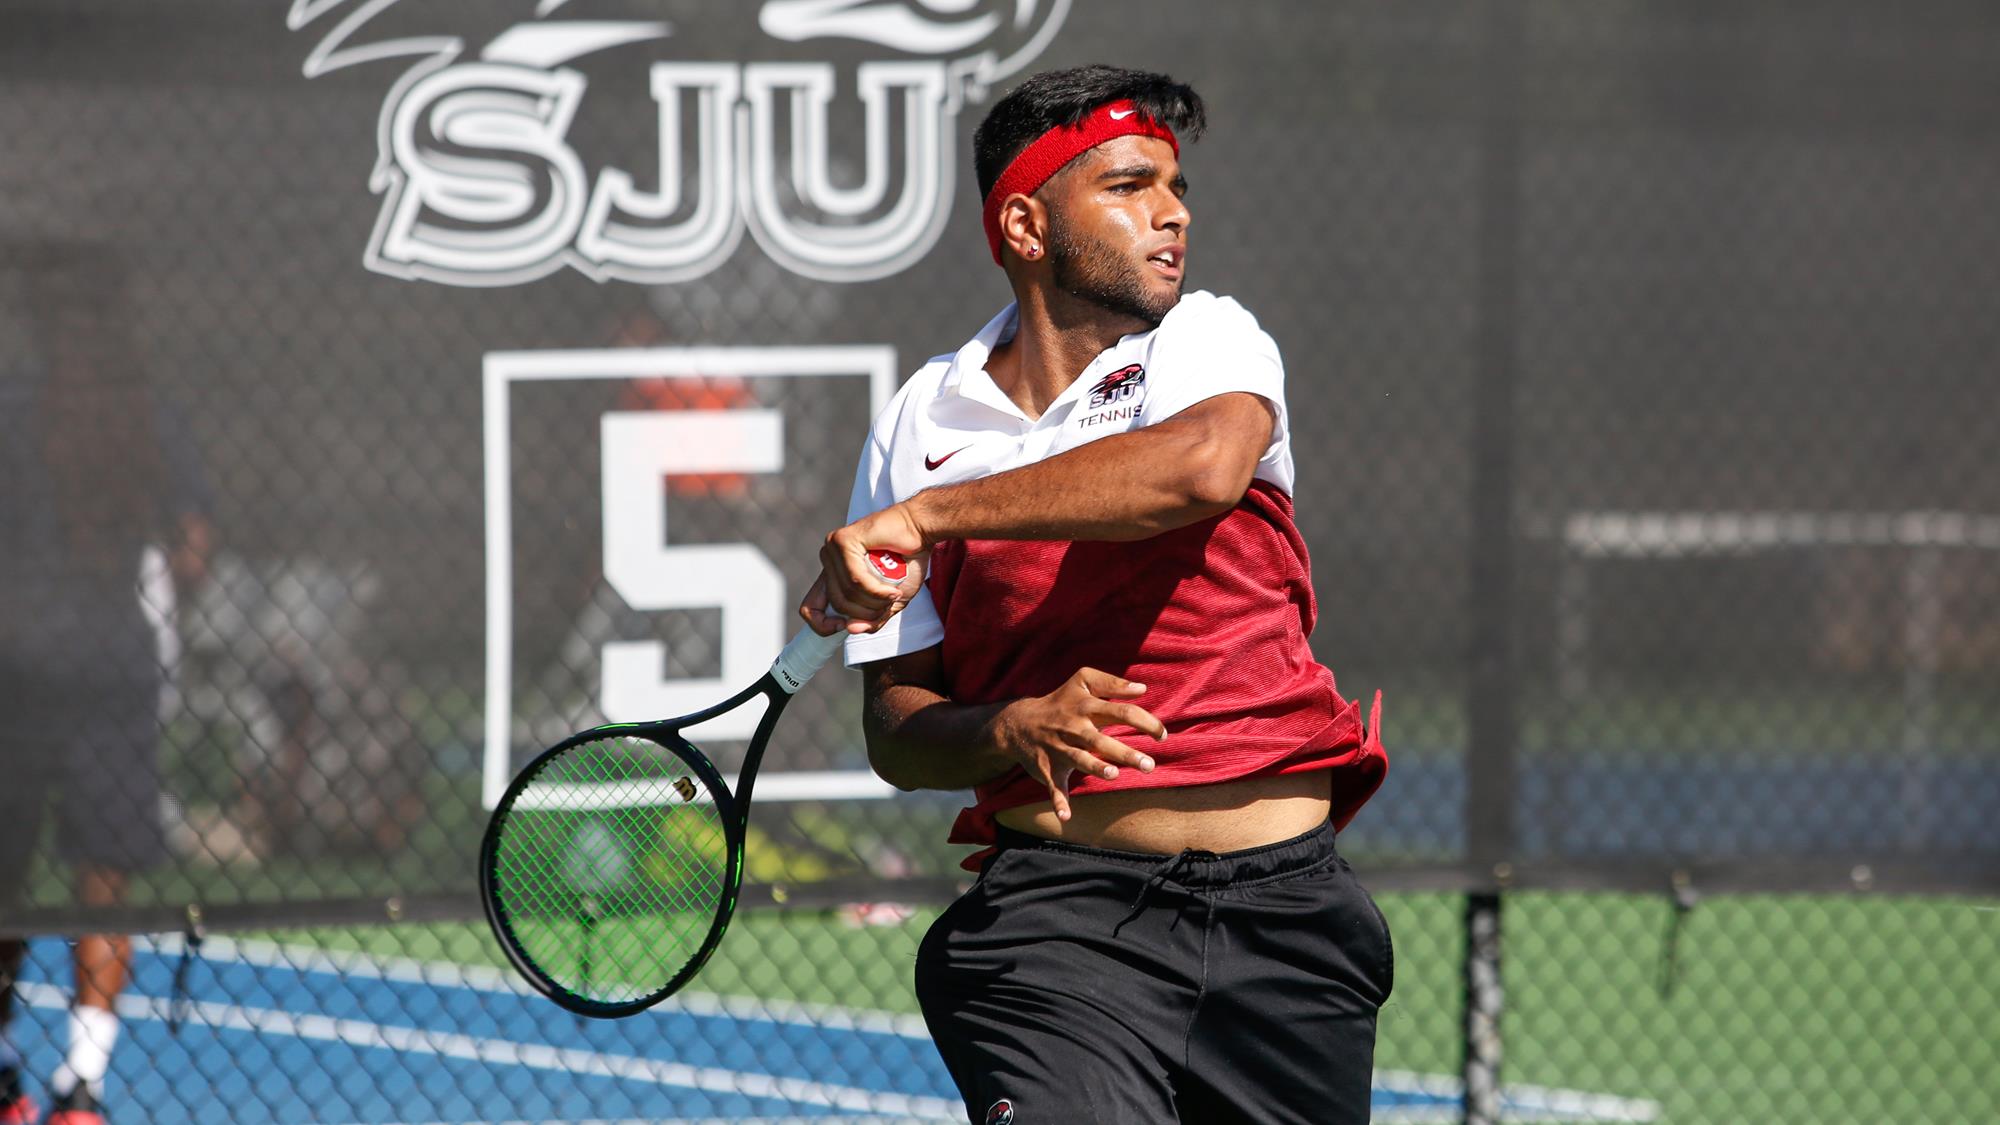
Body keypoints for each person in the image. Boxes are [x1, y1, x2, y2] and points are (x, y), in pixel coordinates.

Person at [798, 65, 1392, 1123]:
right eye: (1127, 186)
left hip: (1287, 919)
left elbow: (1199, 470)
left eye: (1175, 188)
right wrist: (1008, 729)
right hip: (1062, 927)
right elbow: (897, 731)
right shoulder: (918, 421)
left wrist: (932, 516)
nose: (1170, 212)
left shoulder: (1207, 340)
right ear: (1024, 224)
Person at [0, 243, 214, 1125]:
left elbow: (194, 543)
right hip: (89, 666)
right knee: (97, 876)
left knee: (29, 878)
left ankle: (50, 1079)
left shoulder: (26, 405)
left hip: (29, 668)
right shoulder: (136, 413)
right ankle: (74, 1086)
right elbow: (196, 546)